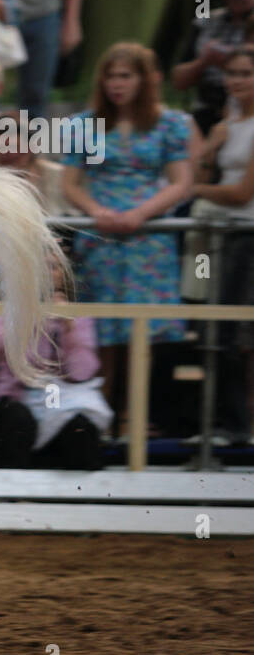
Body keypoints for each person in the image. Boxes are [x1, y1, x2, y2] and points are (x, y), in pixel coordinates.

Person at [60, 42, 196, 426]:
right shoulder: (83, 125)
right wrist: (96, 211)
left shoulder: (171, 123)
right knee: (103, 327)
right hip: (101, 234)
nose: (117, 84)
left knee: (143, 329)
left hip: (148, 237)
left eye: (126, 76)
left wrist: (140, 214)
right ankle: (100, 417)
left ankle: (137, 418)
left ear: (144, 80)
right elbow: (71, 184)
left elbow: (180, 182)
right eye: (111, 75)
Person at [0, 268, 108, 470]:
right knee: (18, 420)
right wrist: (17, 321)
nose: (46, 273)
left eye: (53, 267)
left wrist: (68, 326)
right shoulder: (9, 311)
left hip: (54, 396)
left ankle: (83, 498)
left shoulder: (77, 315)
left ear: (63, 274)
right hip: (15, 396)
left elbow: (82, 373)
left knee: (79, 428)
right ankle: (10, 496)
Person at [190, 46, 254, 442]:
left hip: (247, 235)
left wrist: (192, 190)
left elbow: (243, 194)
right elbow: (202, 169)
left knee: (242, 337)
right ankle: (227, 423)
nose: (236, 81)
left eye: (246, 73)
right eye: (231, 73)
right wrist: (212, 146)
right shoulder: (226, 124)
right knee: (216, 332)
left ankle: (243, 423)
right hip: (221, 237)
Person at [170, 0, 254, 134]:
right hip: (205, 113)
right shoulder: (204, 21)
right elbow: (178, 80)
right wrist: (203, 62)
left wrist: (235, 60)